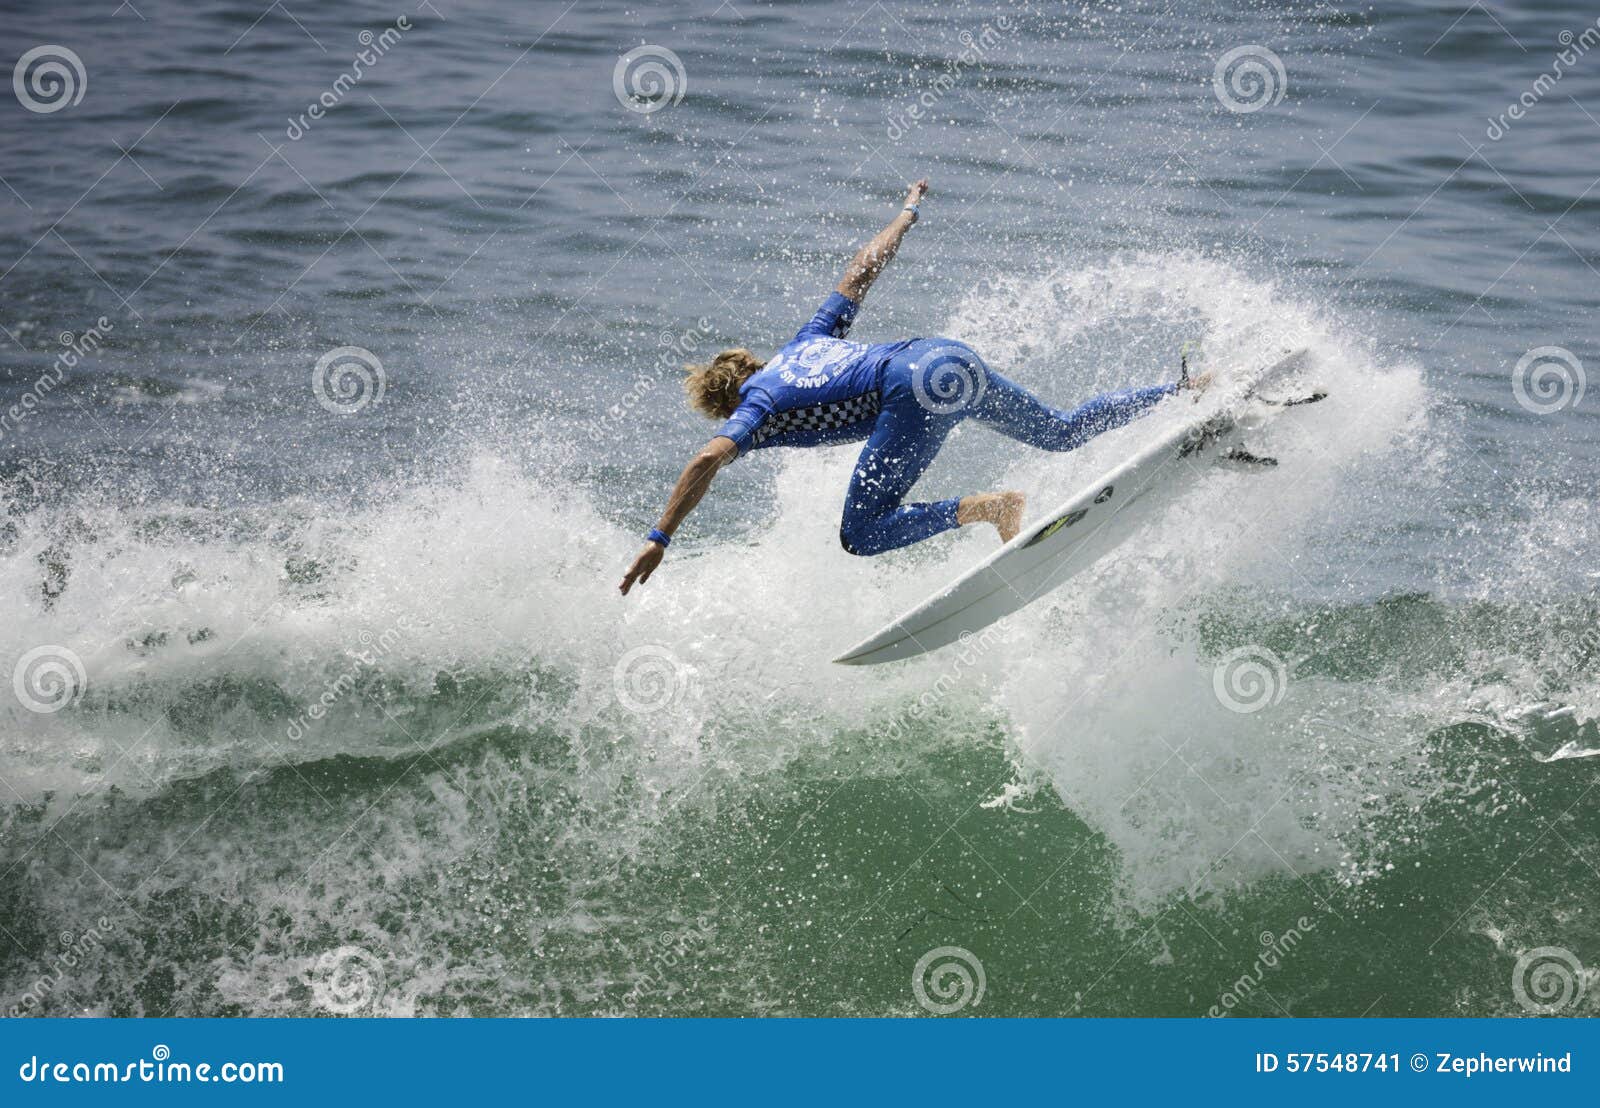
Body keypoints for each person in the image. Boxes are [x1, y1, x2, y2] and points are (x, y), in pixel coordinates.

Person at [619, 180, 1207, 595]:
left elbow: (706, 458)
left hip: (911, 389)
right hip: (947, 357)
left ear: (726, 400)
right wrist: (906, 214)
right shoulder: (805, 343)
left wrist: (659, 537)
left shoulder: (759, 406)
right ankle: (1183, 390)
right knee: (1061, 430)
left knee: (862, 533)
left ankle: (991, 507)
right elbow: (859, 272)